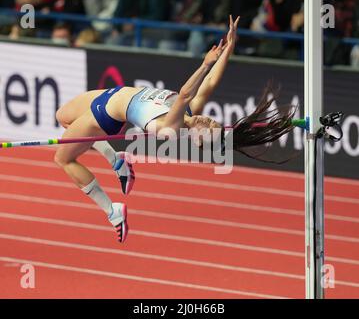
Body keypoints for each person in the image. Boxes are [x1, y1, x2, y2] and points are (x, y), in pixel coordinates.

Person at [54, 16, 295, 243]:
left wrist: (204, 64)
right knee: (62, 118)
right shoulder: (194, 111)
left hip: (104, 115)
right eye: (213, 122)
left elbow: (185, 93)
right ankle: (116, 159)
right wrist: (229, 47)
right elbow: (211, 83)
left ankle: (112, 211)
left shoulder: (172, 126)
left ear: (198, 141)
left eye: (209, 129)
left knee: (64, 159)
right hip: (114, 94)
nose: (210, 122)